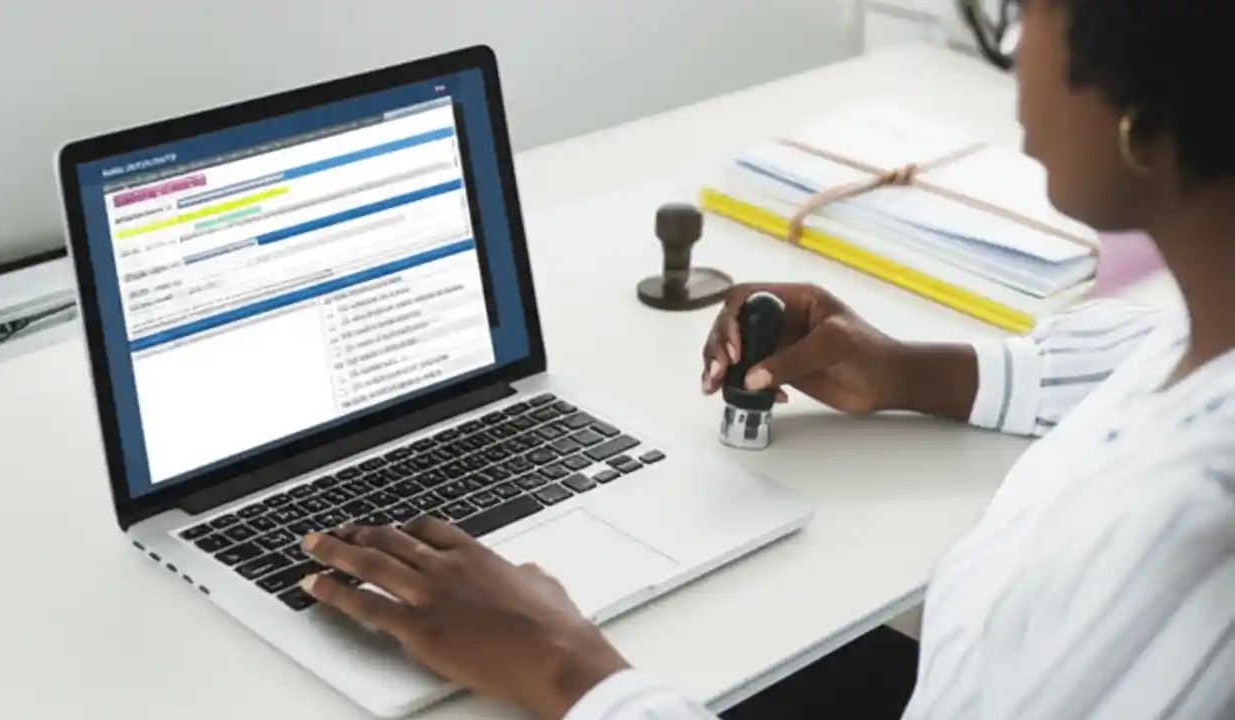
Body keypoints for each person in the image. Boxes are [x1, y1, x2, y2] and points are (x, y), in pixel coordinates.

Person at [295, 0, 1235, 717]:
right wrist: (910, 369)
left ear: (1147, 104)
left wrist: (560, 666)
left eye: (1034, 13)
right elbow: (1149, 354)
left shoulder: (1184, 533)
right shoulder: (1206, 332)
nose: (1018, 45)